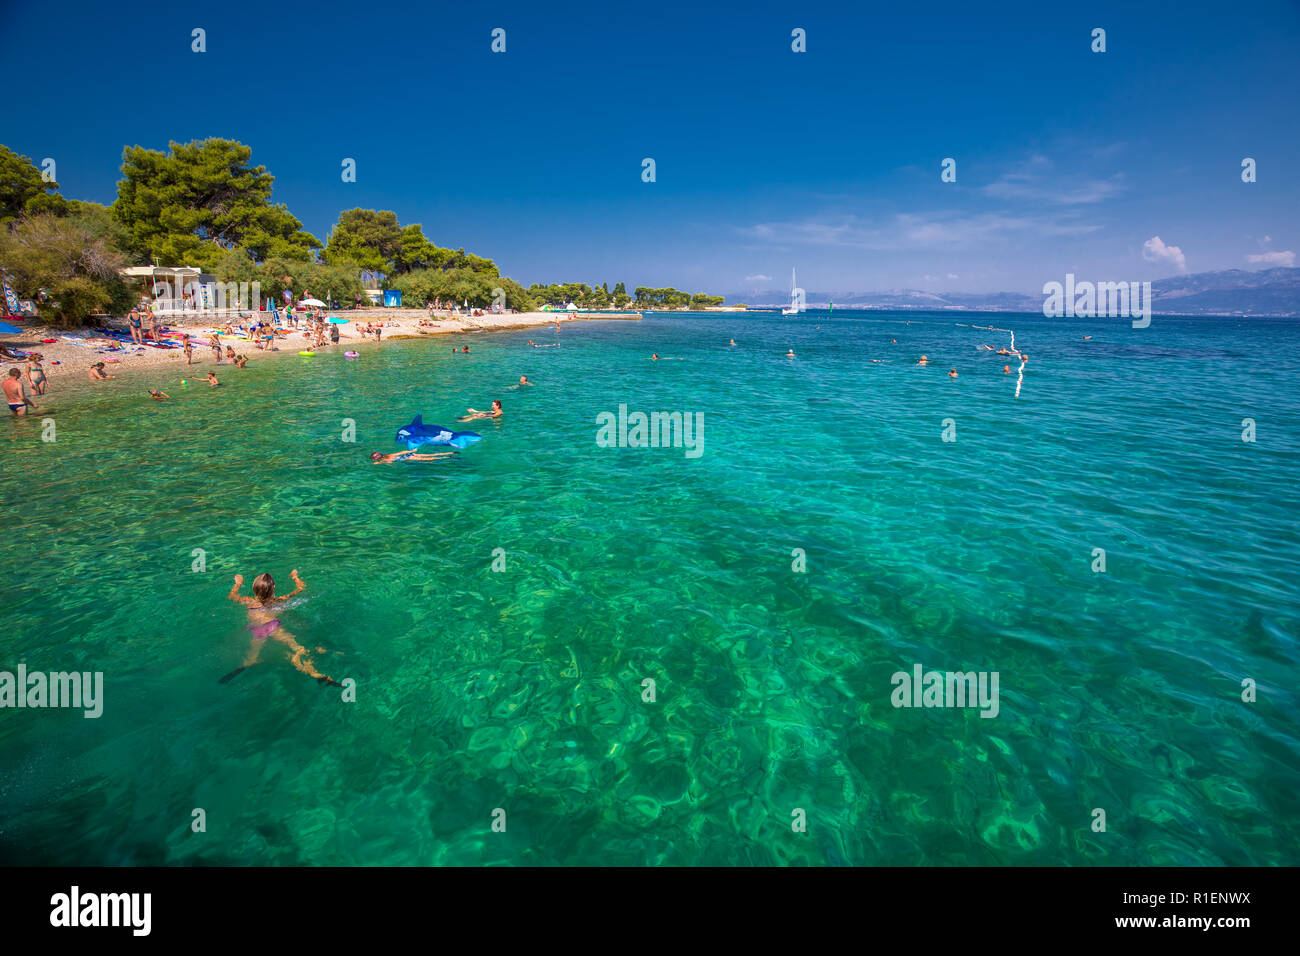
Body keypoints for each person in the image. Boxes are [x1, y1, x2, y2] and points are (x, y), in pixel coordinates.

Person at [221, 570, 341, 685]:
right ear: (274, 588)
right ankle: (315, 674)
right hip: (272, 626)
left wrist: (238, 583)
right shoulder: (278, 601)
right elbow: (300, 589)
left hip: (256, 629)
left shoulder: (248, 601)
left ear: (254, 589)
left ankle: (247, 663)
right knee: (296, 647)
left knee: (252, 654)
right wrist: (295, 577)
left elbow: (231, 596)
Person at [370, 450, 458, 464]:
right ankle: (451, 452)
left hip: (407, 458)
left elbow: (391, 462)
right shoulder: (388, 455)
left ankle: (448, 457)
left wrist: (377, 463)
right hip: (408, 455)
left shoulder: (385, 460)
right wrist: (411, 451)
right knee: (430, 455)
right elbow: (401, 452)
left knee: (428, 459)